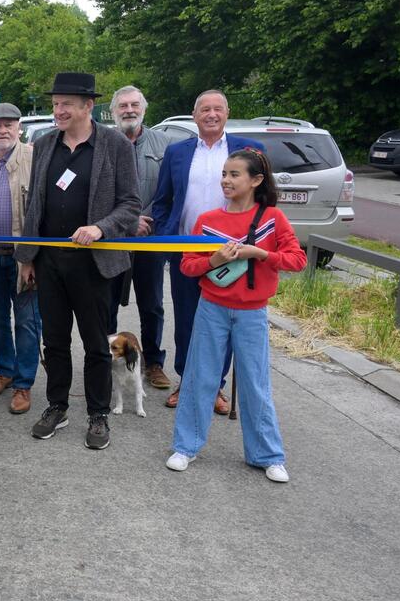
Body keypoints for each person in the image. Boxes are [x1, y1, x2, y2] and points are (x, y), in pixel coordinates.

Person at [16, 72, 141, 450]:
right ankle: (57, 406)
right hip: (50, 262)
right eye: (55, 104)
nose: (58, 110)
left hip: (93, 265)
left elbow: (131, 204)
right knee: (54, 341)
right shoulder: (44, 144)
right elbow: (34, 205)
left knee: (96, 344)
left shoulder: (115, 145)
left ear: (88, 106)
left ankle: (98, 413)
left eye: (66, 104)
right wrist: (28, 257)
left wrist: (101, 228)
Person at [167, 149, 305, 482]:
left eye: (234, 174)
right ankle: (185, 446)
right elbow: (188, 265)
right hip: (211, 308)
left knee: (255, 383)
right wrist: (213, 261)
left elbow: (297, 260)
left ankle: (267, 455)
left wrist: (260, 253)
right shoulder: (207, 221)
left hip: (253, 313)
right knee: (199, 378)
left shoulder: (273, 218)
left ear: (256, 180)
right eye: (224, 174)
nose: (226, 181)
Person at [151, 90, 265, 413]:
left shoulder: (248, 150)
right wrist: (166, 238)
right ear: (194, 115)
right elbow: (162, 200)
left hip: (233, 252)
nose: (211, 114)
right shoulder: (177, 152)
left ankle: (215, 386)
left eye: (217, 109)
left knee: (224, 322)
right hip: (187, 251)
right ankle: (187, 381)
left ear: (227, 113)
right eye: (205, 109)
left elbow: (264, 198)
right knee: (187, 320)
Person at [0, 102, 41, 415]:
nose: (2, 130)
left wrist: (32, 257)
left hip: (23, 258)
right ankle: (4, 371)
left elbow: (40, 211)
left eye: (8, 125)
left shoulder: (33, 158)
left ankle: (23, 384)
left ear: (19, 128)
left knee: (27, 322)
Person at [108, 86, 172, 391]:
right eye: (123, 106)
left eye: (134, 104)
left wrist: (147, 221)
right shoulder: (103, 143)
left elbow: (170, 191)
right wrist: (128, 222)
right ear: (113, 111)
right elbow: (97, 192)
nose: (129, 110)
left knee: (152, 305)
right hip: (113, 240)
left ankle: (154, 363)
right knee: (105, 304)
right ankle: (106, 361)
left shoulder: (165, 145)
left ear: (144, 109)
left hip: (150, 239)